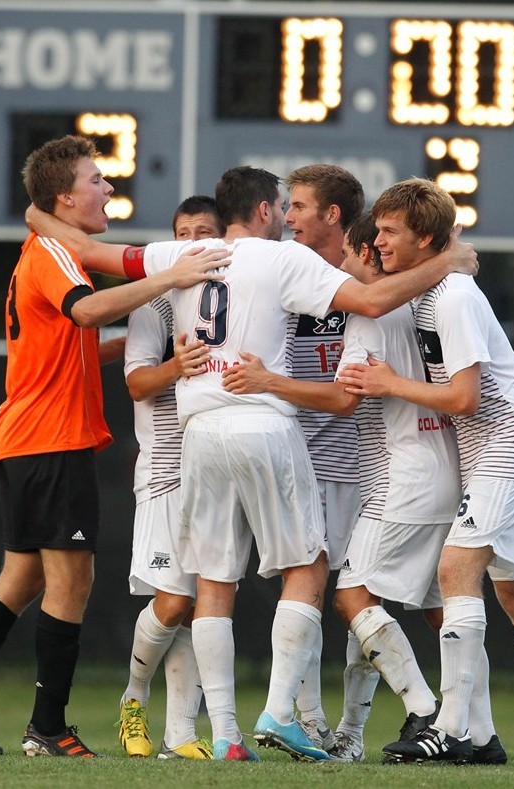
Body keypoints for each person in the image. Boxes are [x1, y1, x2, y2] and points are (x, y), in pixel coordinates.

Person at [27, 165, 473, 762]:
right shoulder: (281, 258)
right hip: (263, 421)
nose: (286, 217)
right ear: (264, 211)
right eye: (282, 207)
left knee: (214, 581)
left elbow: (85, 251)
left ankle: (227, 736)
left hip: (199, 430)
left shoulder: (179, 255)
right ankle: (280, 714)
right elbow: (370, 297)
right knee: (308, 568)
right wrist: (448, 261)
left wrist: (34, 213)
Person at [0, 135, 228, 758]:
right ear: (64, 197)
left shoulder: (49, 250)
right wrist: (171, 275)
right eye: (96, 180)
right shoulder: (55, 250)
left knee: (24, 575)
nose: (108, 189)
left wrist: (145, 349)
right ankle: (48, 727)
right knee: (72, 579)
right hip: (49, 439)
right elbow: (85, 313)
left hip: (30, 437)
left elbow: (74, 343)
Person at [222, 212, 503, 765]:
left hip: (403, 477)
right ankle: (480, 733)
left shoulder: (369, 319)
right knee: (440, 611)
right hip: (439, 468)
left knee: (352, 597)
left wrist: (267, 381)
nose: (343, 263)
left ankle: (426, 711)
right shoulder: (420, 304)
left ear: (366, 255)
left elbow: (343, 398)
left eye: (352, 253)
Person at [339, 177, 514, 765]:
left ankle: (451, 727)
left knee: (456, 569)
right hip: (497, 448)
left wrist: (387, 383)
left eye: (390, 230)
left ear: (426, 238)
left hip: (508, 443)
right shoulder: (432, 288)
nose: (379, 240)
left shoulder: (451, 296)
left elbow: (464, 398)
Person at [115, 196, 223, 761]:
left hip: (217, 466)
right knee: (174, 599)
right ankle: (133, 698)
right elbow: (136, 383)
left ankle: (180, 734)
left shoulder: (233, 295)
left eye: (204, 232)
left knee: (202, 601)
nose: (193, 243)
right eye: (183, 233)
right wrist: (177, 368)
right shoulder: (155, 298)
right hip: (166, 469)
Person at [280, 165, 367, 752]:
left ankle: (353, 732)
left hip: (373, 467)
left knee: (364, 600)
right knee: (305, 591)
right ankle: (309, 721)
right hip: (305, 464)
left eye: (299, 206)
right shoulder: (285, 275)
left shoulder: (371, 280)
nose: (288, 217)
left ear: (332, 215)